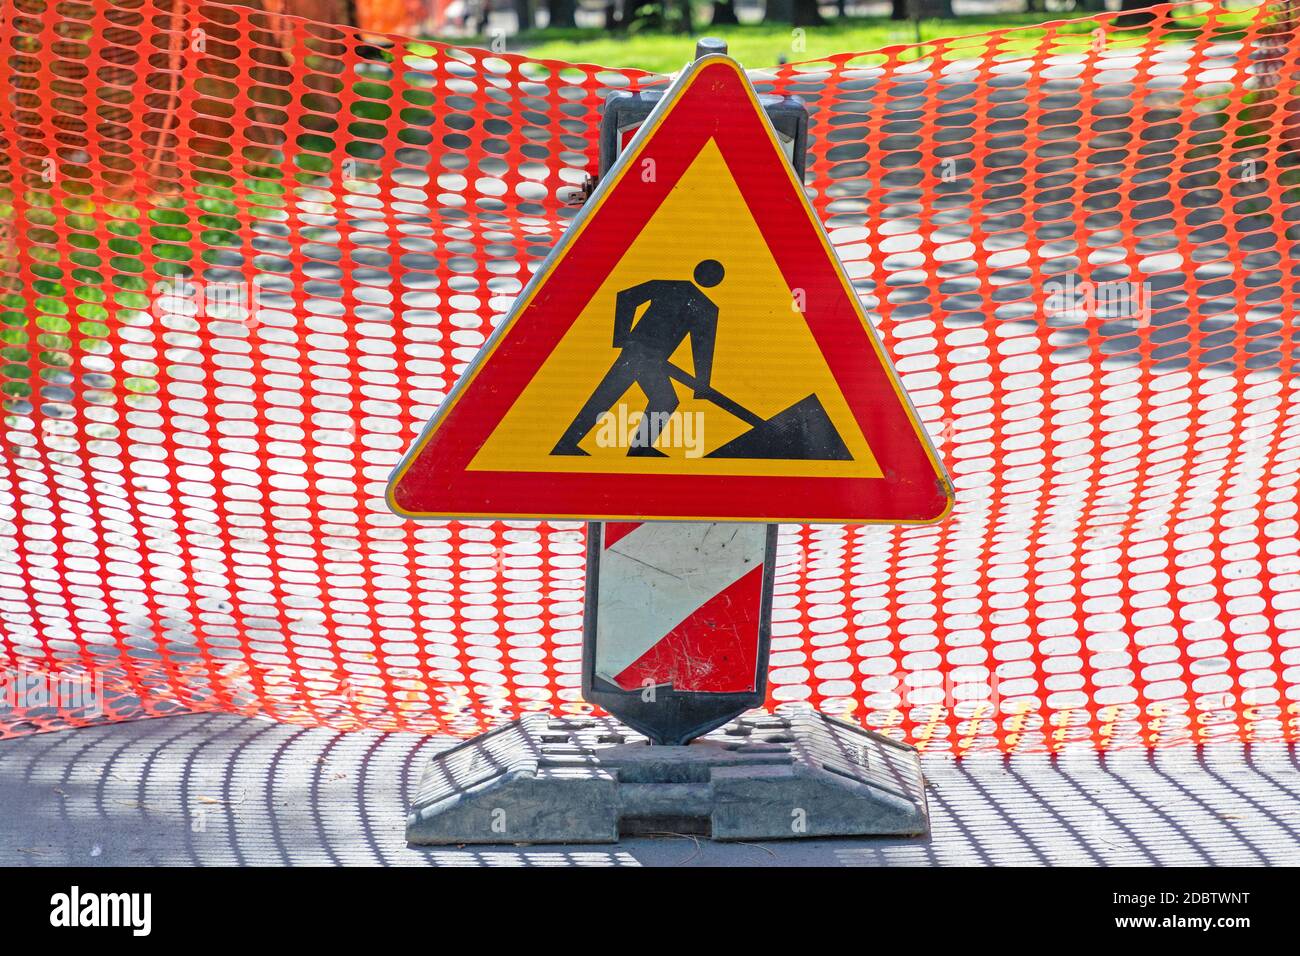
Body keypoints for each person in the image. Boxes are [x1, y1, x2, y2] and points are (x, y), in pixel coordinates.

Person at [551, 259, 724, 457]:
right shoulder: (680, 292)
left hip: (651, 360)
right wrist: (622, 339)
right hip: (637, 353)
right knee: (624, 396)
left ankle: (632, 451)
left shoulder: (700, 304)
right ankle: (577, 446)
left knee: (646, 398)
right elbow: (627, 297)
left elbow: (702, 347)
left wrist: (702, 383)